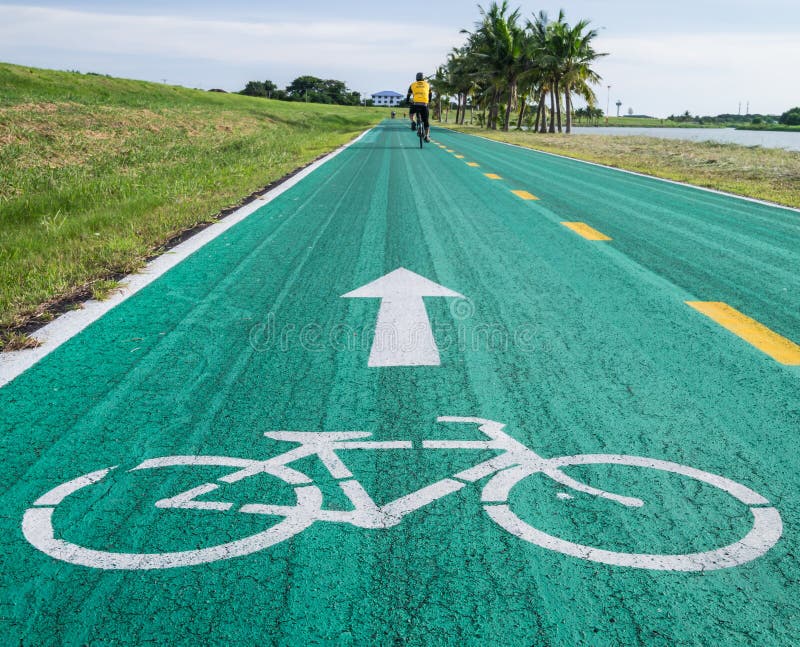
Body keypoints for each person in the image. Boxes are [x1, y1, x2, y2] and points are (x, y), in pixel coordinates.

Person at [406, 72, 432, 142]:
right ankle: (427, 136)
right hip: (424, 104)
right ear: (423, 78)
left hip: (415, 104)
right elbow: (430, 94)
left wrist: (407, 101)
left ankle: (413, 121)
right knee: (426, 121)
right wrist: (429, 101)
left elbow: (408, 95)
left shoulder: (412, 85)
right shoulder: (427, 84)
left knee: (411, 113)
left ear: (416, 78)